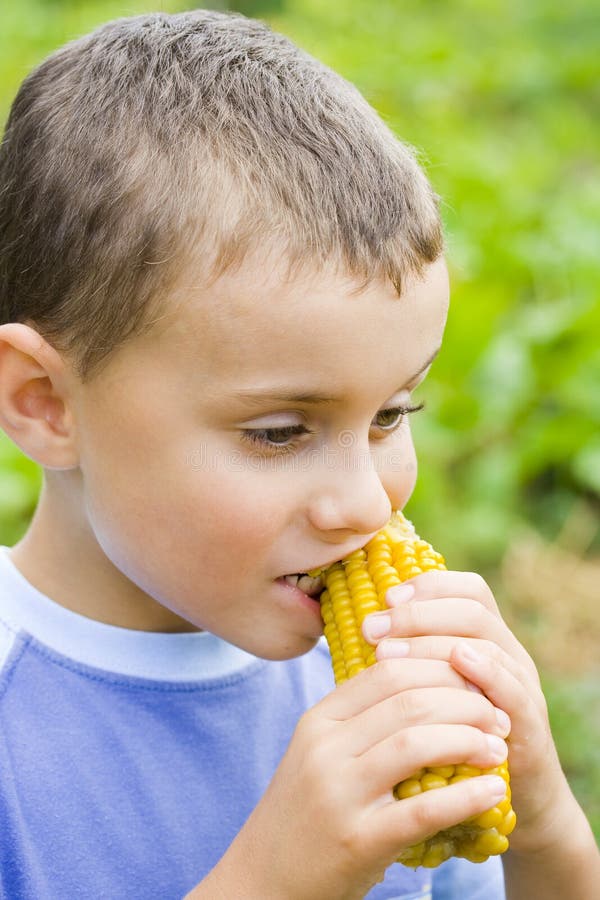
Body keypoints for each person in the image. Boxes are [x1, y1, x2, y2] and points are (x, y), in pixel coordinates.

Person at [0, 10, 597, 900]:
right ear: (42, 402)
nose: (365, 503)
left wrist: (544, 828)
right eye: (280, 432)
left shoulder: (390, 677)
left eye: (394, 412)